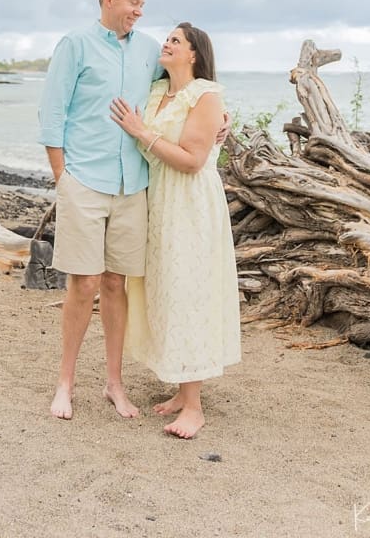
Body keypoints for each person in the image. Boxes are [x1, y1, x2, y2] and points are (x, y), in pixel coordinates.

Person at [38, 0, 162, 420]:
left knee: (115, 283)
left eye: (142, 4)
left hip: (132, 184)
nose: (139, 11)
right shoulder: (75, 44)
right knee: (84, 283)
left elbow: (184, 86)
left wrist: (218, 116)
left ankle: (114, 384)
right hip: (84, 180)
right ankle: (65, 383)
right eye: (133, 3)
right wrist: (62, 178)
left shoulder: (150, 50)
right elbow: (52, 112)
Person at [109, 22, 241, 439]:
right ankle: (183, 392)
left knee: (190, 293)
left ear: (194, 54)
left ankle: (195, 407)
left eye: (175, 41)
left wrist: (141, 132)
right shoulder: (157, 91)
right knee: (168, 290)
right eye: (166, 38)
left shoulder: (205, 95)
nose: (166, 43)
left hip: (190, 203)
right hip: (160, 200)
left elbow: (192, 160)